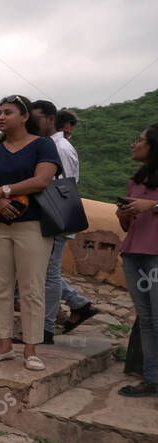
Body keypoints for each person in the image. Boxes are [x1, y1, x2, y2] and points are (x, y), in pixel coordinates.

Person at [0, 95, 61, 371]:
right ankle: (4, 345)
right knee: (0, 286)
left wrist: (4, 190)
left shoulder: (42, 146)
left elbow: (42, 180)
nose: (1, 116)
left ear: (24, 117)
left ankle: (31, 349)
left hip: (32, 224)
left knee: (32, 286)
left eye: (7, 112)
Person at [31, 99, 97, 344]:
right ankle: (78, 304)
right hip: (53, 214)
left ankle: (45, 329)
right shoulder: (52, 145)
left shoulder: (60, 147)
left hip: (55, 215)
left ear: (49, 119)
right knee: (46, 271)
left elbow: (65, 185)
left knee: (49, 273)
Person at [116, 124, 158, 396]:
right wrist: (124, 214)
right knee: (145, 318)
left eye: (139, 140)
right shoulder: (137, 179)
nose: (134, 144)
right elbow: (127, 227)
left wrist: (152, 206)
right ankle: (151, 378)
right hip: (133, 253)